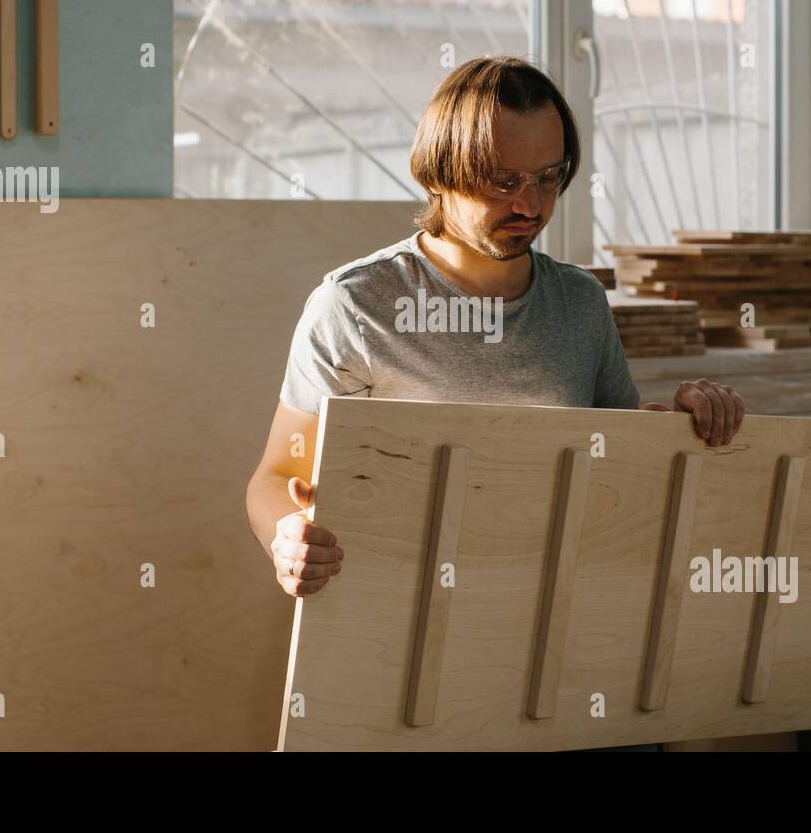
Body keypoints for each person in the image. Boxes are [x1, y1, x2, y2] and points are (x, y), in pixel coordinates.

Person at [246, 56, 745, 599]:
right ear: (439, 173)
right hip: (391, 617)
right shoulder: (356, 306)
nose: (529, 205)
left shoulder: (580, 303)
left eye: (549, 177)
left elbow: (619, 465)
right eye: (502, 181)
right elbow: (274, 477)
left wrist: (682, 426)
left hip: (551, 613)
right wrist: (286, 536)